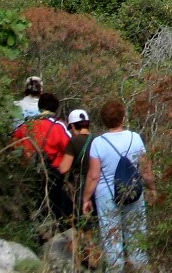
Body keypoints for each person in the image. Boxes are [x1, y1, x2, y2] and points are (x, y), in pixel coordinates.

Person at [84, 100, 154, 273]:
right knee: (136, 235)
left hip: (106, 195)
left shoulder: (98, 143)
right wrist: (152, 187)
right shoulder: (135, 138)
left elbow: (94, 176)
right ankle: (140, 269)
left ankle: (115, 269)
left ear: (103, 120)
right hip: (133, 191)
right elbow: (145, 169)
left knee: (111, 238)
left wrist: (86, 198)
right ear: (123, 118)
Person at [12, 92, 72, 229]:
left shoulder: (27, 125)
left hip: (30, 172)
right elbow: (70, 148)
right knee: (56, 207)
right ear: (55, 108)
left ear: (39, 107)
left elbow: (15, 144)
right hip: (54, 173)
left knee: (34, 206)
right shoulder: (59, 126)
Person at [57, 109, 97, 254]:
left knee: (82, 222)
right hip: (99, 187)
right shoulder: (97, 139)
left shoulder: (74, 142)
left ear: (73, 126)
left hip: (82, 187)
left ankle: (87, 253)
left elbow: (64, 168)